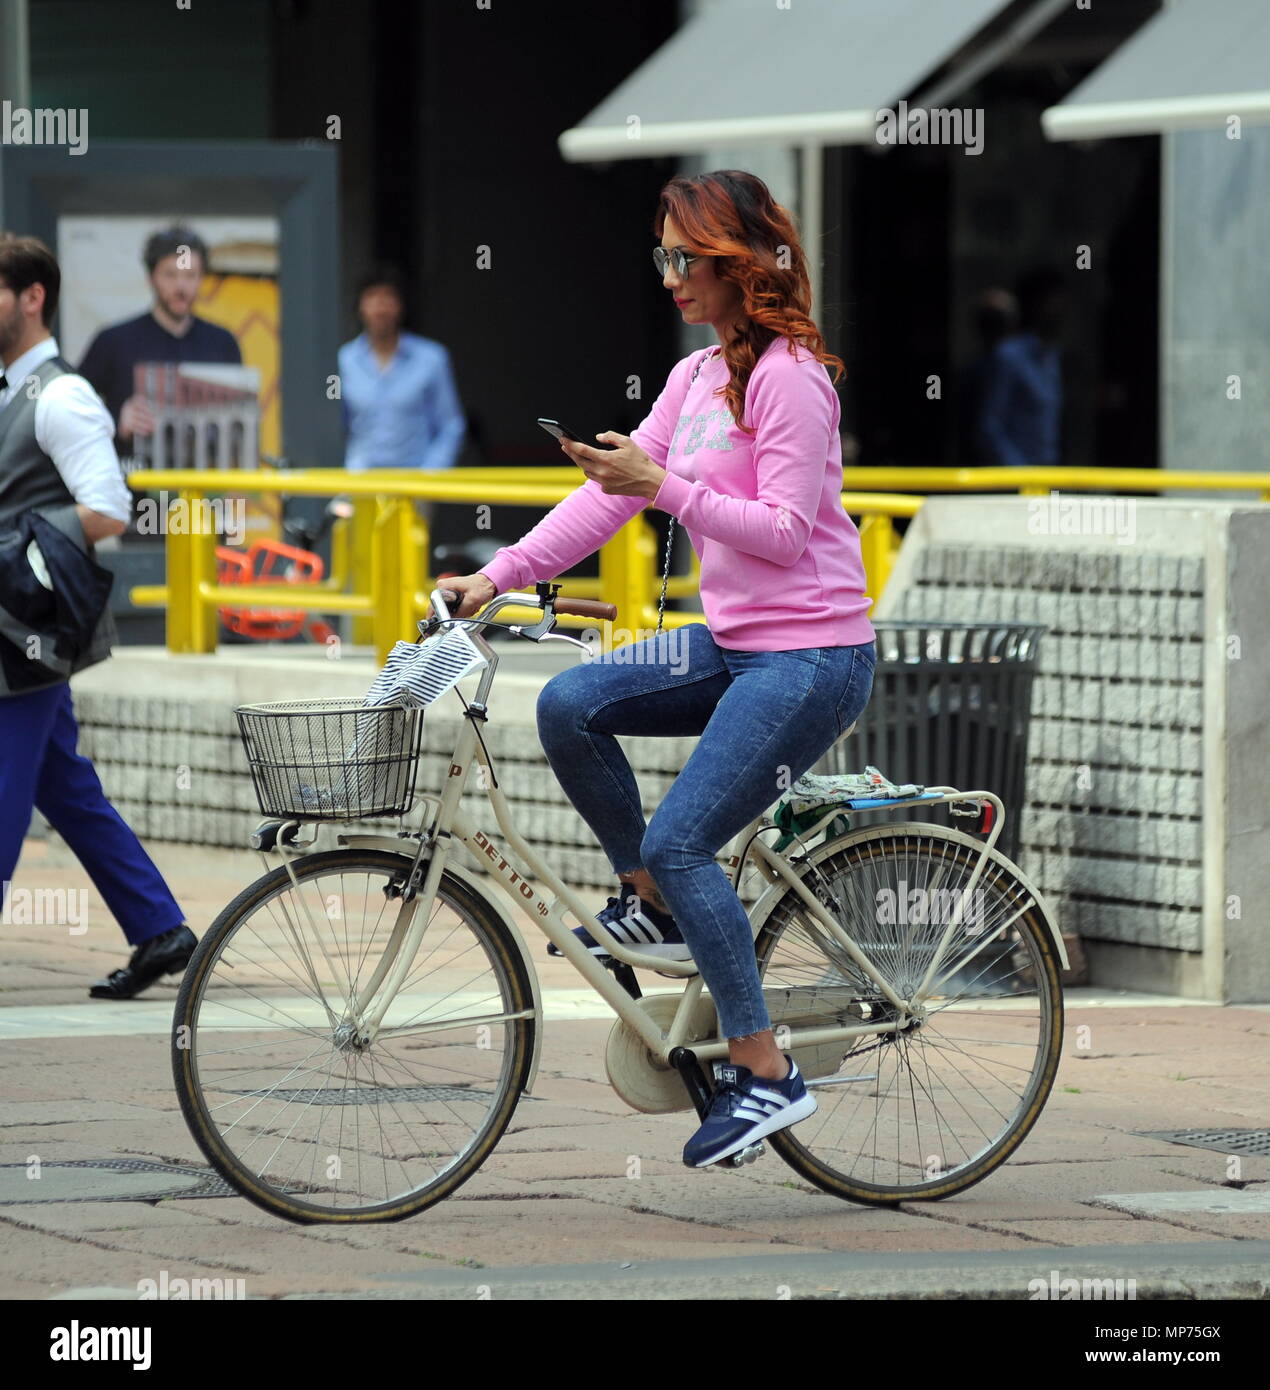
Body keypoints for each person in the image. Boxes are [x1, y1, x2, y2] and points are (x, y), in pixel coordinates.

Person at [441, 170, 877, 1169]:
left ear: (736, 264)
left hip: (811, 653)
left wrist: (667, 486)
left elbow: (781, 532)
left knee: (687, 836)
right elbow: (610, 499)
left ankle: (766, 1072)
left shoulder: (791, 376)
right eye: (663, 258)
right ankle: (653, 899)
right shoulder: (689, 380)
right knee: (570, 702)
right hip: (735, 644)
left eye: (686, 258)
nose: (671, 276)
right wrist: (497, 575)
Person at [0, 234, 197, 999]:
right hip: (19, 629)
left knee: (7, 789)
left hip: (28, 634)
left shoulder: (60, 394)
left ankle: (160, 927)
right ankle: (160, 928)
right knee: (64, 784)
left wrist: (16, 546)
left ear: (31, 297)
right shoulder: (15, 390)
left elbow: (109, 508)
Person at [77, 223, 242, 459]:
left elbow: (239, 424)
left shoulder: (223, 343)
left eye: (190, 275)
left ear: (201, 278)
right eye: (170, 275)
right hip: (132, 486)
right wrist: (115, 420)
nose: (181, 286)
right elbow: (73, 409)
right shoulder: (114, 341)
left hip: (206, 489)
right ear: (151, 278)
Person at [337, 268, 465, 475]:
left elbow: (451, 425)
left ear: (400, 306)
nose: (380, 309)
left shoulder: (432, 358)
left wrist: (431, 475)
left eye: (387, 299)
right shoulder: (345, 360)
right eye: (372, 299)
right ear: (360, 307)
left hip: (415, 484)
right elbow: (336, 425)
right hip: (361, 484)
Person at [975, 268, 1067, 467]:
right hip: (1017, 484)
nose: (1061, 311)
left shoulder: (1052, 358)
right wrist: (1020, 473)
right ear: (1034, 306)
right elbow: (990, 427)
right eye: (1053, 303)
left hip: (1048, 477)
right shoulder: (1008, 357)